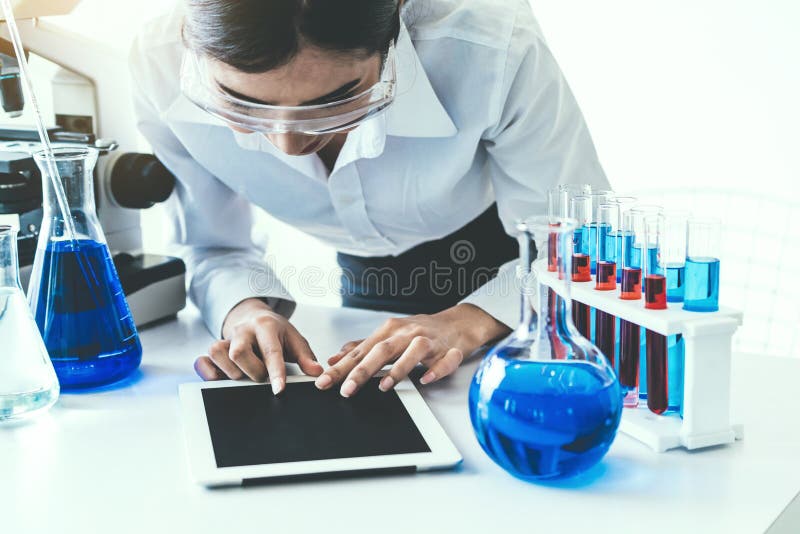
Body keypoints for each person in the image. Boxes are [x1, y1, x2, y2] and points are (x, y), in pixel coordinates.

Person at [130, 0, 609, 397]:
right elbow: (212, 245)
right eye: (243, 103)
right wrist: (244, 310)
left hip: (512, 261)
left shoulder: (494, 47)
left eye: (335, 99)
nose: (288, 144)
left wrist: (472, 320)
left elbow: (581, 246)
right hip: (365, 278)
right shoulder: (157, 68)